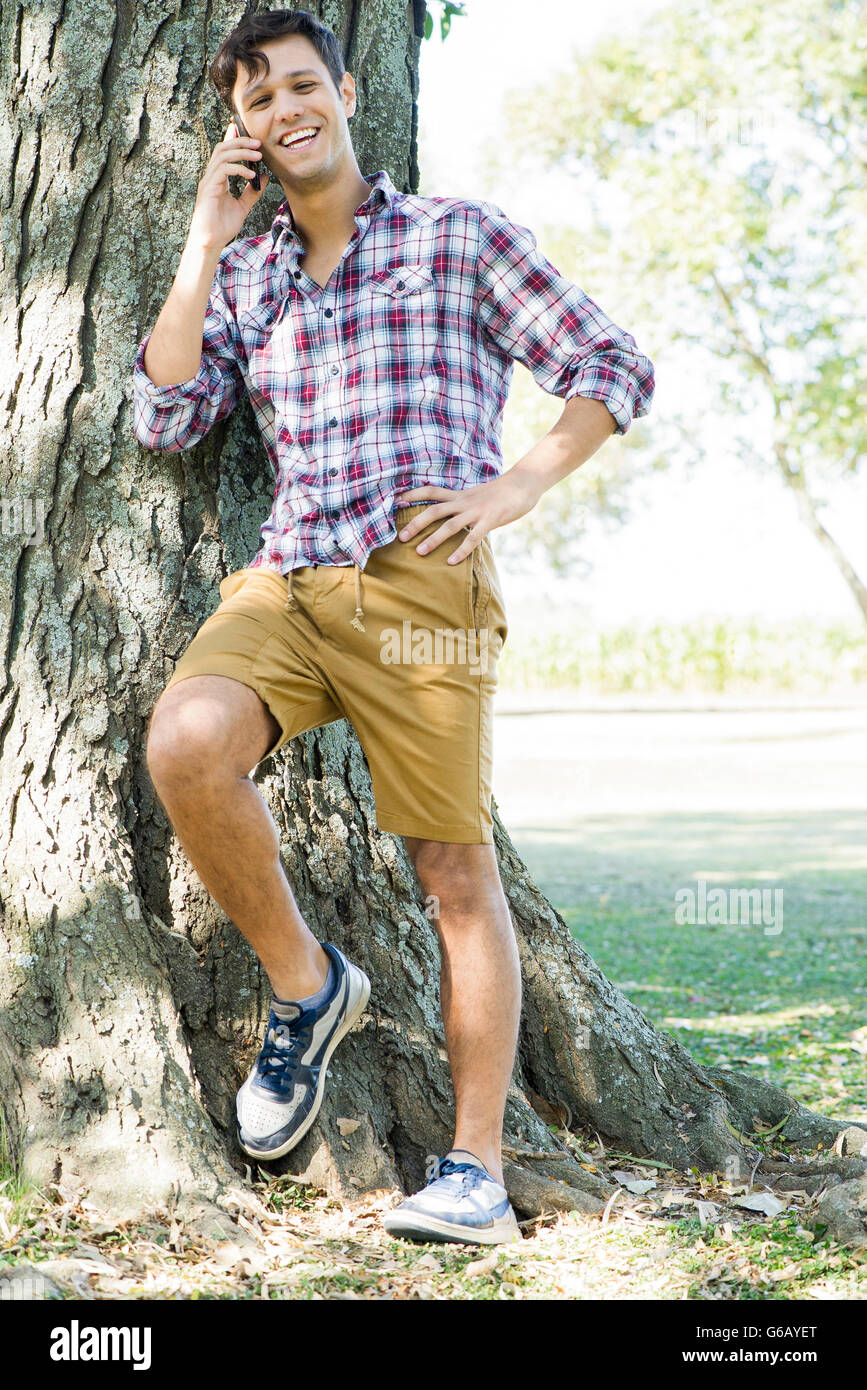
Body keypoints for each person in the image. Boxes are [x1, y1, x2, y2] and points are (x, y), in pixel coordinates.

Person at [132, 7, 655, 1246]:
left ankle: (473, 1171)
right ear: (241, 129)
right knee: (186, 743)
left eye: (303, 85)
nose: (285, 111)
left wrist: (512, 488)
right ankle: (310, 990)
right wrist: (206, 237)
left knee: (453, 872)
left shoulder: (454, 237)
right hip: (288, 585)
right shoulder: (251, 274)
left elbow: (609, 363)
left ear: (350, 90)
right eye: (259, 100)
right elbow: (164, 415)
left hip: (423, 582)